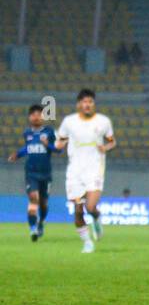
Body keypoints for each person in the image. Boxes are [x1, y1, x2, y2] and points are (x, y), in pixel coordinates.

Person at [54, 89, 115, 253]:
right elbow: (60, 142)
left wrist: (106, 147)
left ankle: (96, 217)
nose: (87, 104)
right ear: (79, 104)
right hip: (74, 171)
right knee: (78, 210)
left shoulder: (103, 121)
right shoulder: (69, 122)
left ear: (94, 104)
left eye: (90, 102)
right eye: (84, 102)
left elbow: (112, 141)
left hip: (95, 168)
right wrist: (58, 145)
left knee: (90, 206)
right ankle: (87, 242)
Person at [8, 103, 57, 241]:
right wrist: (17, 154)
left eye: (39, 114)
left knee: (43, 204)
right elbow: (28, 148)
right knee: (33, 199)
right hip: (31, 173)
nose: (36, 117)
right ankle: (32, 229)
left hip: (46, 174)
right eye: (33, 114)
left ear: (43, 117)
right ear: (29, 117)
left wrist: (49, 145)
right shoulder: (27, 133)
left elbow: (58, 150)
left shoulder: (49, 132)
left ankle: (41, 222)